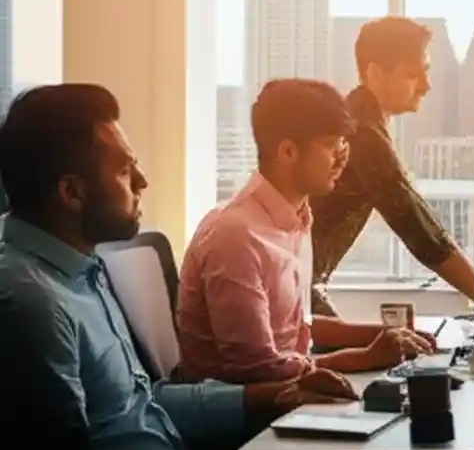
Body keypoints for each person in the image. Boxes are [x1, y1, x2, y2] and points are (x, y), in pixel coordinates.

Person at [0, 84, 351, 450]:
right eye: (126, 171)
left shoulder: (82, 272)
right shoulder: (31, 304)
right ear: (72, 192)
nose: (143, 182)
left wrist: (276, 396)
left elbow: (144, 401)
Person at [177, 79, 437, 385]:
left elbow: (299, 328)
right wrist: (367, 357)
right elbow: (258, 370)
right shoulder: (235, 236)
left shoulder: (295, 220)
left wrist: (385, 335)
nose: (343, 158)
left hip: (290, 392)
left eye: (344, 144)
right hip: (250, 420)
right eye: (330, 145)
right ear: (288, 152)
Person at [310, 17, 474, 318]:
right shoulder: (361, 134)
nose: (426, 86)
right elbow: (420, 230)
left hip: (300, 284)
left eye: (425, 73)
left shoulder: (357, 119)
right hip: (289, 286)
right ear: (375, 74)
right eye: (413, 75)